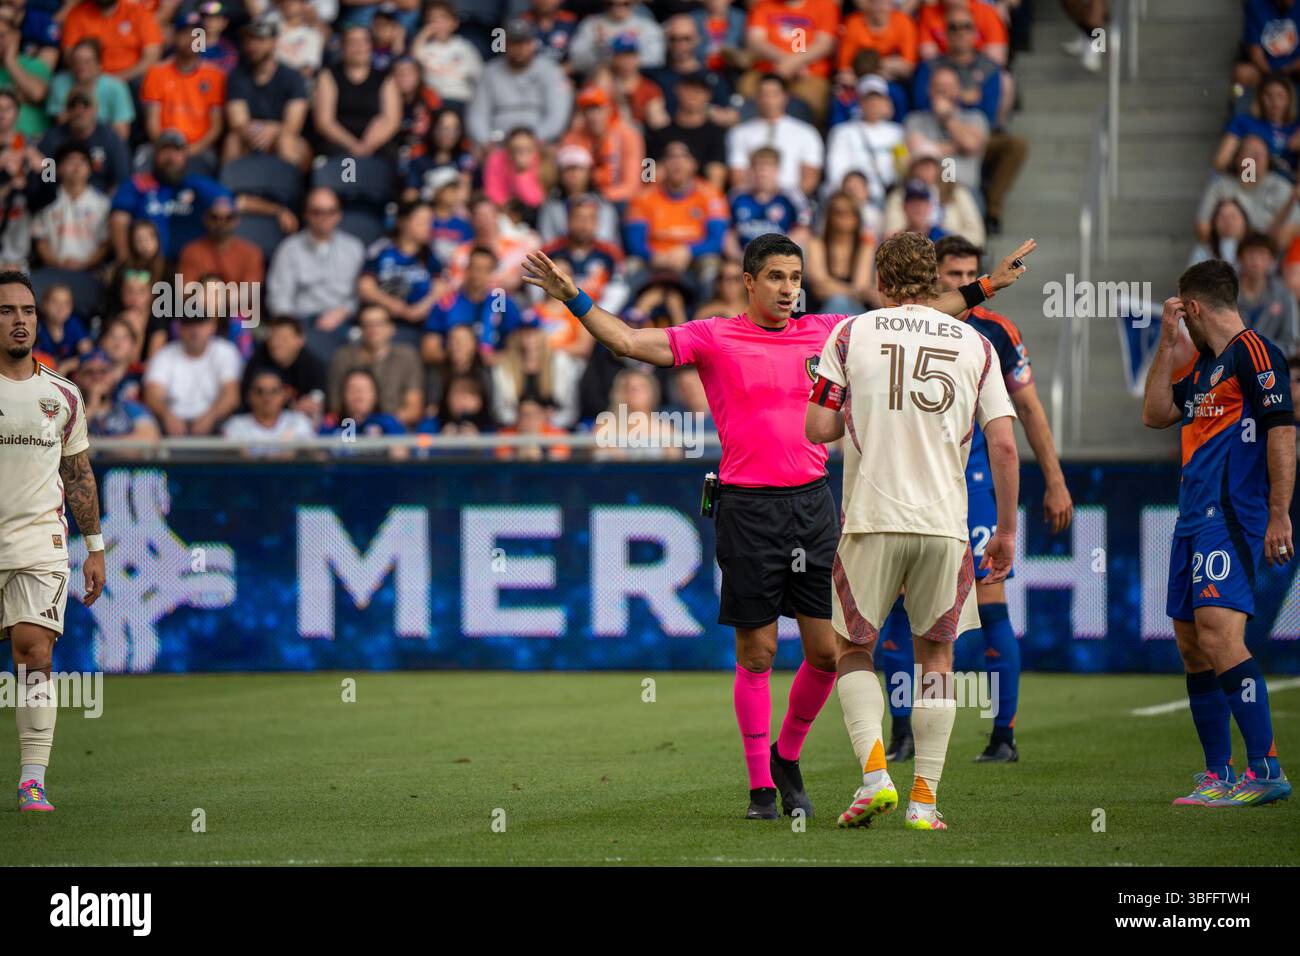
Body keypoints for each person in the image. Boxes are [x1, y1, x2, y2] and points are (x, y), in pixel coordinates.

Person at [523, 230, 1036, 820]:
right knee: (760, 651)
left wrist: (987, 285)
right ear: (749, 281)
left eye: (795, 278)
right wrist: (573, 298)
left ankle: (788, 754)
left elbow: (915, 316)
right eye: (776, 277)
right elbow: (630, 341)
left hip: (814, 506)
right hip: (746, 506)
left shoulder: (832, 331)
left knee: (826, 653)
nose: (789, 289)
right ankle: (762, 787)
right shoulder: (714, 336)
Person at [803, 231, 1020, 831]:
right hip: (946, 526)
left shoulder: (848, 335)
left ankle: (875, 777)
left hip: (870, 518)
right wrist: (1004, 529)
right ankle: (924, 800)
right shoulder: (976, 343)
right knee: (937, 656)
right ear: (935, 280)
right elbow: (1003, 442)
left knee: (852, 650)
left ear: (879, 281)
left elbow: (818, 428)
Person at [874, 236, 1073, 765]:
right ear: (932, 277)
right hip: (914, 488)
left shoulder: (996, 332)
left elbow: (1025, 414)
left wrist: (1054, 479)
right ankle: (905, 733)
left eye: (970, 273)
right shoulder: (902, 326)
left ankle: (1002, 734)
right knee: (900, 612)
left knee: (990, 609)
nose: (964, 283)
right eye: (952, 273)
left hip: (973, 490)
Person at [1141, 259, 1294, 808]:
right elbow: (1156, 414)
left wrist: (1280, 511)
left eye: (1182, 309)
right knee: (1191, 643)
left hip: (1230, 517)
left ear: (1195, 306)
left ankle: (1266, 769)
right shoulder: (1205, 364)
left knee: (1219, 635)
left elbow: (1281, 431)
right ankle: (1217, 775)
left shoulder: (1256, 352)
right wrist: (1166, 341)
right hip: (1190, 519)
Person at [0, 269, 105, 814]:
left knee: (33, 651)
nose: (20, 320)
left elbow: (79, 473)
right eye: (7, 311)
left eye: (27, 311)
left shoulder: (62, 395)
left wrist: (95, 546)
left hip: (40, 543)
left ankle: (32, 780)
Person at [265, 187, 366, 358]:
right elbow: (279, 295)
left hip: (343, 320)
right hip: (301, 321)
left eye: (330, 212)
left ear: (338, 215)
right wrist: (291, 328)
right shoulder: (289, 248)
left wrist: (344, 311)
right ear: (307, 214)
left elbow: (361, 293)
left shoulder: (355, 248)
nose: (323, 218)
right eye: (317, 212)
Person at [109, 130, 233, 262]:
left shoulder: (197, 184)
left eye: (177, 151)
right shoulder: (137, 184)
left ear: (186, 156)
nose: (171, 157)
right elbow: (119, 218)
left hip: (190, 264)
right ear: (155, 155)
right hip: (147, 262)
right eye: (165, 151)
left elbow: (227, 202)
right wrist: (124, 259)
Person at [465, 17, 570, 146]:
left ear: (533, 43)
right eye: (514, 43)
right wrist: (486, 141)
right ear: (505, 44)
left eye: (524, 42)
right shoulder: (490, 72)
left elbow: (557, 117)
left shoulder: (550, 70)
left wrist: (533, 140)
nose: (520, 48)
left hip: (539, 143)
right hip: (498, 144)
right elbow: (477, 115)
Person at [223, 16, 311, 169]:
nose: (253, 45)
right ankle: (229, 190)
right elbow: (237, 123)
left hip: (284, 137)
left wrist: (273, 130)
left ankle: (289, 189)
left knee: (286, 140)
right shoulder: (237, 76)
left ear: (274, 42)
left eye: (260, 40)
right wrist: (258, 132)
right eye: (249, 40)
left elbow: (293, 125)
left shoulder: (293, 77)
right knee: (233, 140)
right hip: (251, 136)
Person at [140, 18, 228, 164]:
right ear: (174, 37)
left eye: (197, 35)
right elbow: (152, 123)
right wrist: (168, 149)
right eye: (185, 34)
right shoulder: (156, 73)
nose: (191, 39)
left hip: (200, 148)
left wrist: (192, 150)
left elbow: (216, 126)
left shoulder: (216, 75)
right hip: (164, 145)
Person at [142, 311, 243, 436]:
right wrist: (167, 415)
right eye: (189, 325)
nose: (194, 331)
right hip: (170, 424)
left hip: (215, 422)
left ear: (212, 326)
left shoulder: (226, 352)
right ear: (179, 328)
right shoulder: (164, 355)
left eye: (200, 324)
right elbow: (152, 395)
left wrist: (211, 416)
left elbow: (231, 396)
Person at [726, 74, 823, 197]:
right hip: (751, 201)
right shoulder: (739, 133)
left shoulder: (806, 132)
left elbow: (810, 177)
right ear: (756, 97)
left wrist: (790, 203)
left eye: (774, 94)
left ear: (785, 97)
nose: (768, 100)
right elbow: (738, 176)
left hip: (792, 201)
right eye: (764, 94)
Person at [326, 303, 423, 427]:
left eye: (379, 324)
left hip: (393, 430)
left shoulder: (407, 356)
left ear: (391, 328)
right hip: (351, 428)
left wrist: (381, 425)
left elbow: (413, 410)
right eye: (367, 324)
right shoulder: (343, 357)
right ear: (360, 329)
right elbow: (335, 407)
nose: (373, 329)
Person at [312, 25, 401, 157]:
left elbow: (391, 120)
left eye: (364, 41)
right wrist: (353, 145)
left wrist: (368, 145)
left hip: (375, 143)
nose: (359, 47)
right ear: (343, 47)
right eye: (353, 42)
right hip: (338, 143)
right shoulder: (328, 76)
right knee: (345, 167)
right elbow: (324, 121)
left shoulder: (385, 79)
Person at [30, 141, 109, 271]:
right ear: (58, 168)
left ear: (90, 169)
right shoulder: (46, 200)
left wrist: (85, 264)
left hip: (91, 272)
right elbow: (40, 241)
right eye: (70, 161)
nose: (77, 166)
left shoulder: (102, 203)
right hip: (52, 270)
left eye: (83, 161)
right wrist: (58, 264)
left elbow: (105, 244)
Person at [37, 86, 129, 195]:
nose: (79, 111)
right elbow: (46, 179)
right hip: (59, 199)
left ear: (96, 109)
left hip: (101, 202)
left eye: (86, 104)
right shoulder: (52, 138)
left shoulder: (110, 138)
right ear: (67, 110)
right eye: (73, 105)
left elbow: (121, 180)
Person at [44, 37, 133, 142]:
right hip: (69, 143)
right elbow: (62, 123)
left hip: (105, 145)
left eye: (87, 61)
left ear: (99, 64)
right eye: (77, 61)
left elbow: (122, 134)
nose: (81, 66)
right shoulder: (60, 82)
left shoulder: (116, 87)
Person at [60, 0, 162, 82]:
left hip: (131, 78)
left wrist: (120, 78)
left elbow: (151, 56)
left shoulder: (138, 12)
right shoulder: (77, 14)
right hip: (89, 79)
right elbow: (69, 55)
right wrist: (95, 79)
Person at [1237, 231, 1300, 357]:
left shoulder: (1284, 294)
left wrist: (1261, 351)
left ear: (1272, 261)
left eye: (1262, 255)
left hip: (1272, 366)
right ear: (1240, 258)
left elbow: (1291, 342)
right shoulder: (1225, 292)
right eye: (1251, 254)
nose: (1256, 262)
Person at [221, 367, 317, 447]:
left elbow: (317, 458)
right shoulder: (235, 426)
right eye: (260, 391)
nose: (267, 398)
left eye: (274, 391)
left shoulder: (299, 422)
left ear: (284, 394)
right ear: (249, 396)